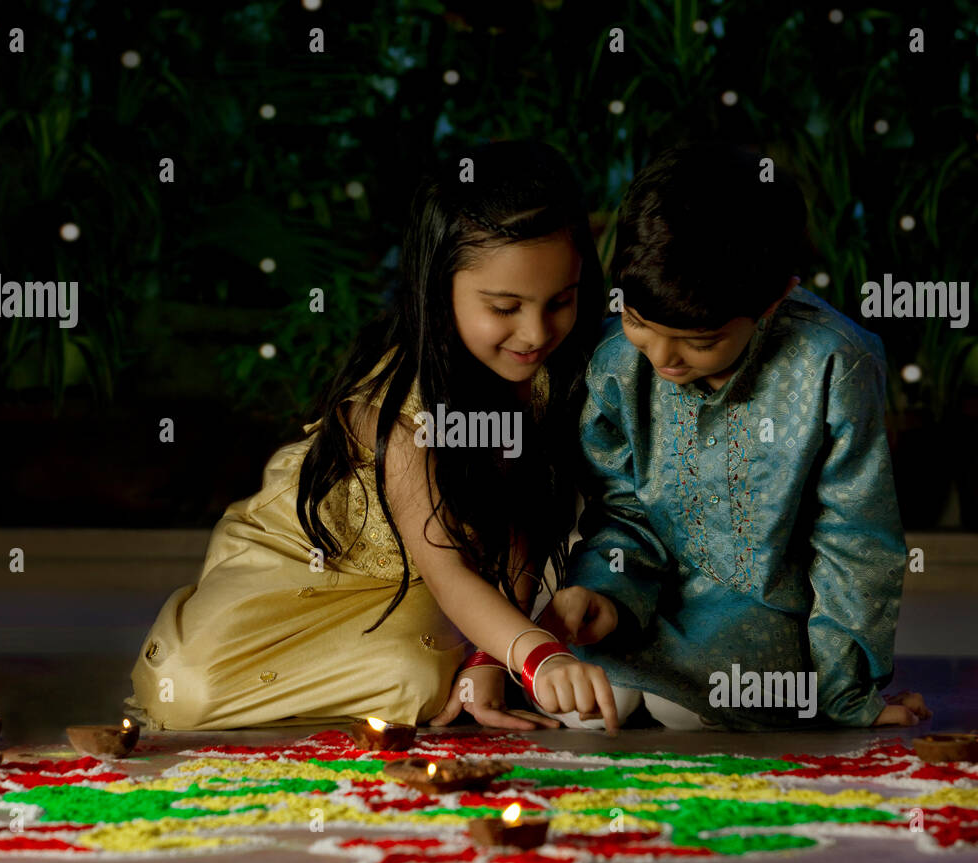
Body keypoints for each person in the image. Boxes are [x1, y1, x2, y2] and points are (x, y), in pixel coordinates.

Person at [127, 140, 621, 733]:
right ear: (440, 293)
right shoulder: (400, 414)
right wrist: (538, 655)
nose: (536, 332)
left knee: (416, 683)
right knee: (184, 691)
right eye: (505, 306)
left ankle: (453, 645)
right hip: (307, 566)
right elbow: (452, 573)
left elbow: (517, 527)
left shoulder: (548, 379)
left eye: (560, 302)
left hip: (419, 588)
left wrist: (492, 659)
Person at [537, 143, 930, 731]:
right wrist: (604, 592)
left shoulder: (834, 363)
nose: (663, 359)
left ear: (772, 300)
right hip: (646, 605)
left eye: (699, 342)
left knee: (691, 705)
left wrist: (846, 693)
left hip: (763, 614)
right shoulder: (617, 362)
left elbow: (856, 539)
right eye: (640, 323)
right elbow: (620, 510)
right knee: (590, 702)